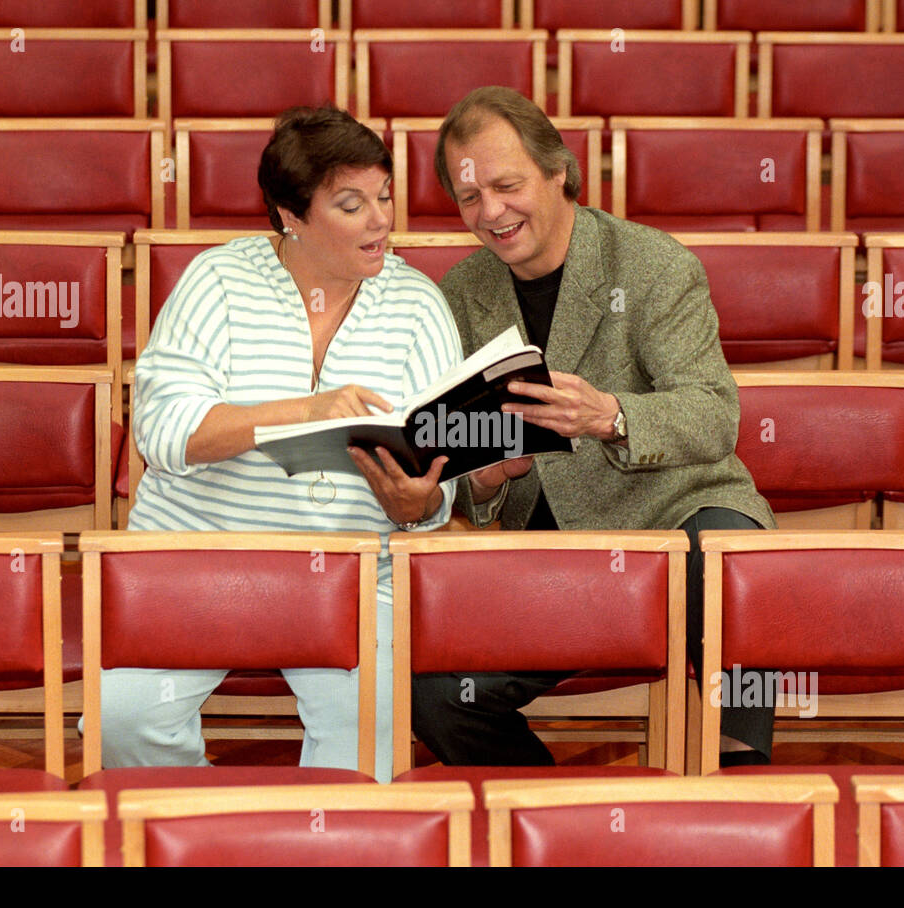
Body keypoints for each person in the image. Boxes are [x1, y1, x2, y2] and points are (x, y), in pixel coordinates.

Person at [410, 87, 778, 768]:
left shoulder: (654, 267)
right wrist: (491, 475)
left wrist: (611, 416)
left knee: (729, 559)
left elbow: (713, 415)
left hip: (676, 522)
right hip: (556, 560)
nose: (490, 212)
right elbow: (468, 487)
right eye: (468, 199)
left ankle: (743, 785)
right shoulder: (461, 294)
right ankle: (554, 821)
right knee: (436, 694)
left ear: (559, 171)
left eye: (507, 185)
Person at [102, 105, 461, 783]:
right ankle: (196, 841)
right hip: (199, 561)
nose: (382, 220)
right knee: (122, 715)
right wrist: (306, 412)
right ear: (290, 216)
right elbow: (166, 432)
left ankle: (321, 847)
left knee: (372, 723)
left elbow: (438, 482)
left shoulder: (418, 305)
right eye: (352, 204)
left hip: (352, 575)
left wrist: (419, 500)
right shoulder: (216, 282)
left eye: (385, 196)